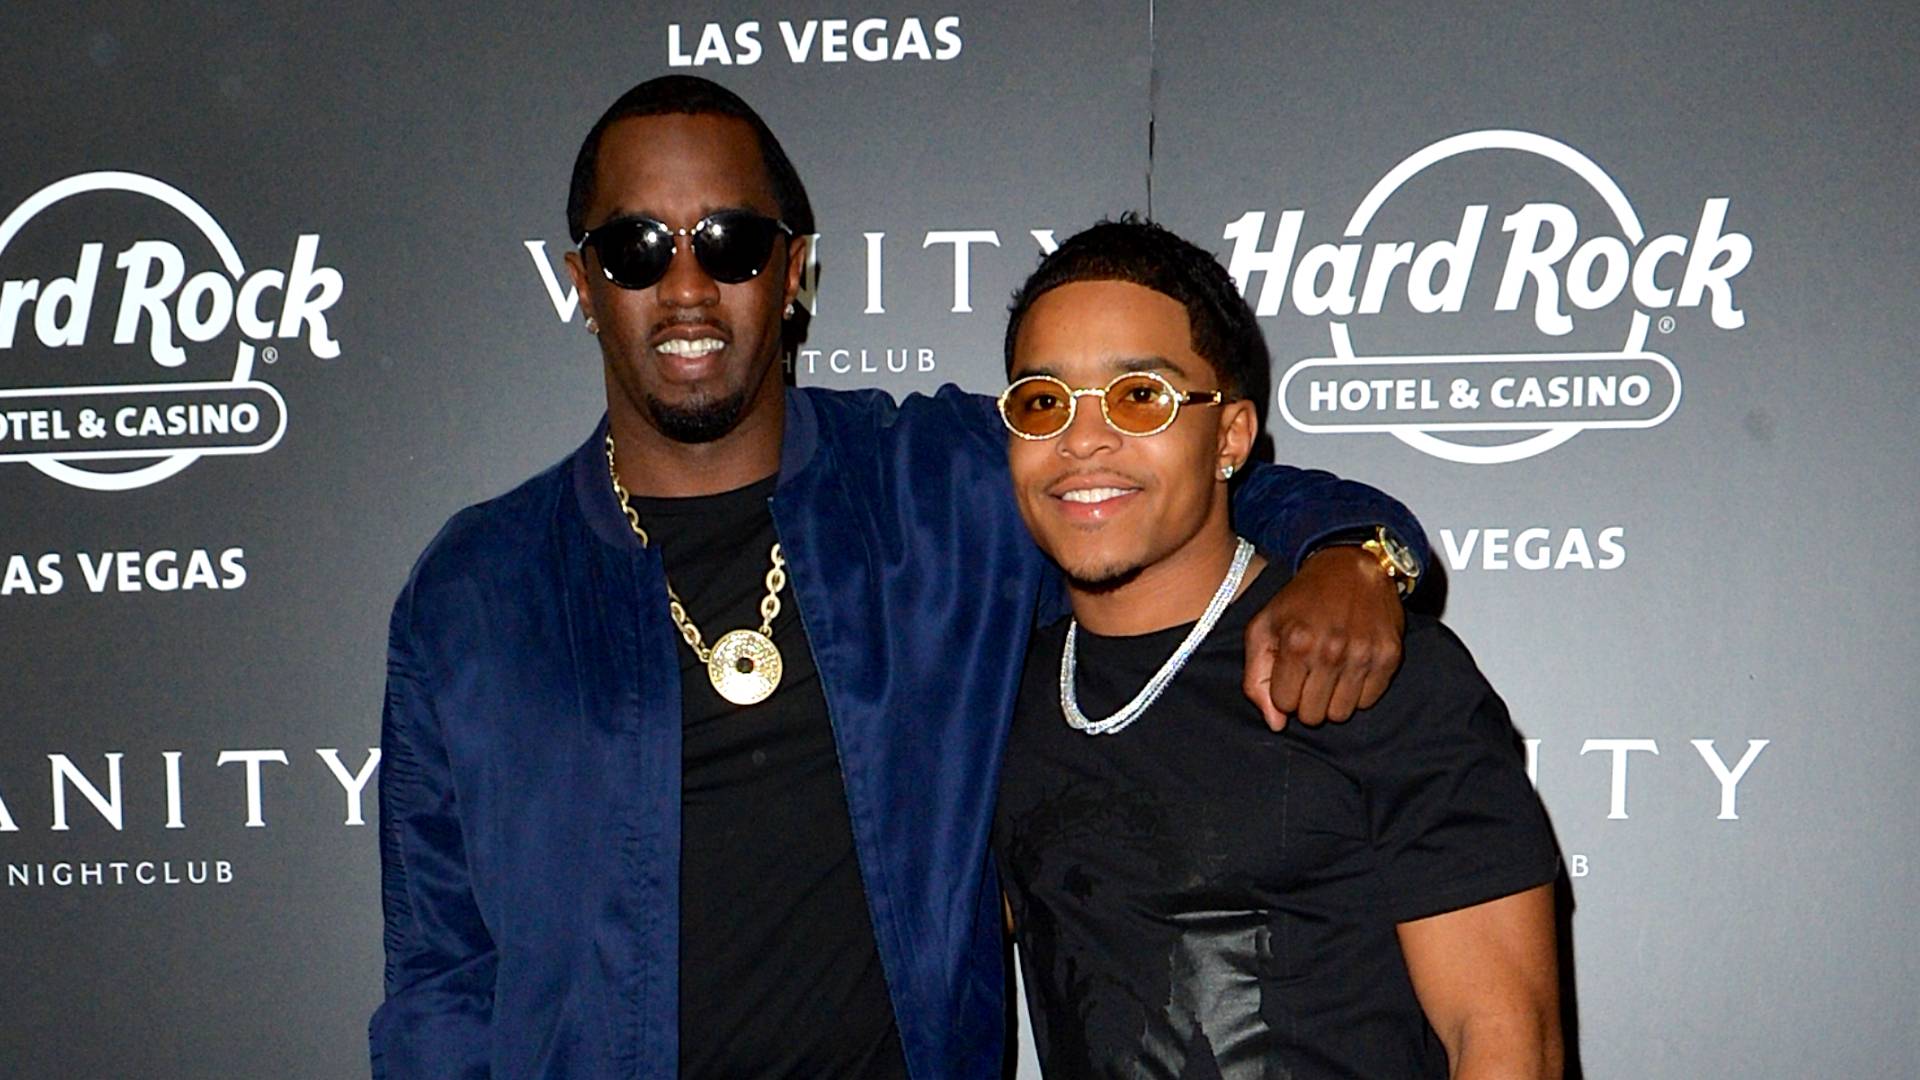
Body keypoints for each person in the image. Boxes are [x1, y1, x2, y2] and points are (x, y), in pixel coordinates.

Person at [370, 77, 1431, 1078]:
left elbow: (1187, 482)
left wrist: (1355, 548)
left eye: (732, 243)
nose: (687, 286)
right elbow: (439, 976)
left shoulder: (940, 487)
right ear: (583, 285)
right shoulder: (475, 591)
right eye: (636, 247)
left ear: (793, 274)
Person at [994, 217, 1563, 1079]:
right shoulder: (1000, 696)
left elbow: (1504, 1039)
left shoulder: (1370, 667)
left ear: (1229, 437)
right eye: (1043, 401)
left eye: (1138, 395)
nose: (1082, 439)